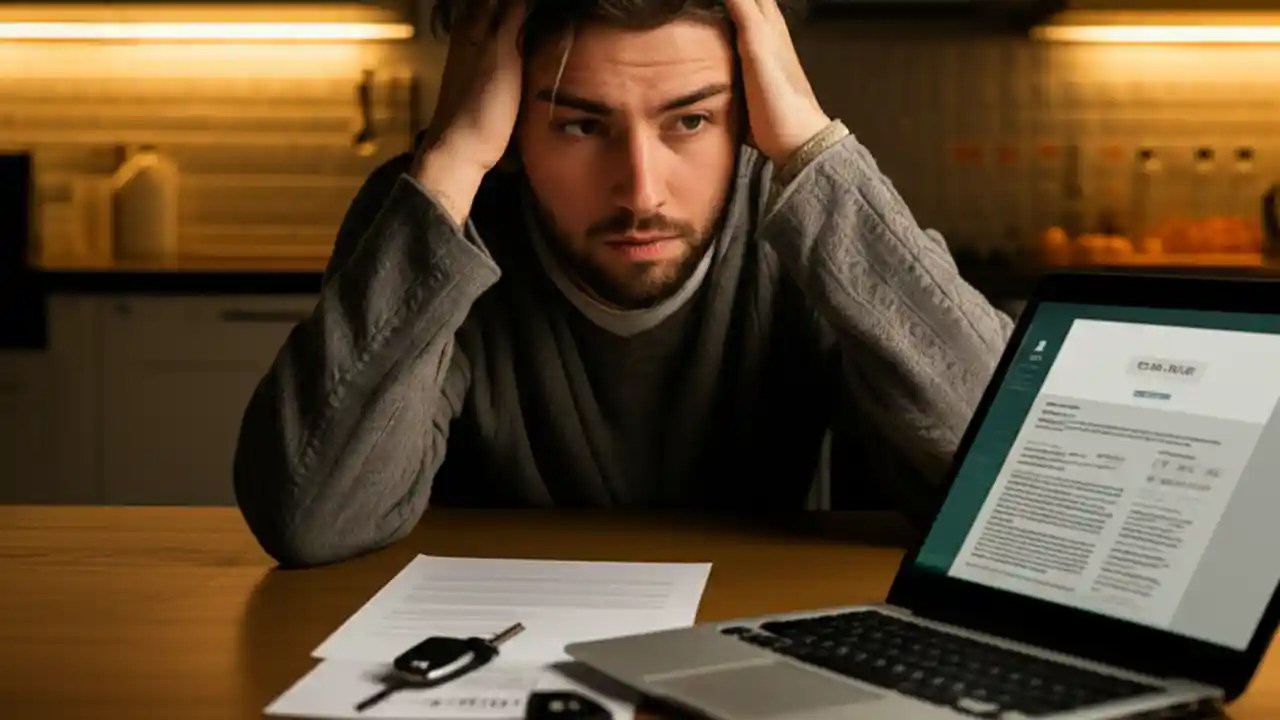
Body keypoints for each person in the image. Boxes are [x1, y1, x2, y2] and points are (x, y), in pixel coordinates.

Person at [232, 0, 1014, 568]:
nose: (642, 192)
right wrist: (448, 162)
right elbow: (311, 520)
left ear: (746, 112)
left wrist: (814, 151)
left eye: (691, 121)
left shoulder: (812, 224)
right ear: (504, 124)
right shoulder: (439, 218)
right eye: (580, 124)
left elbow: (1014, 481)